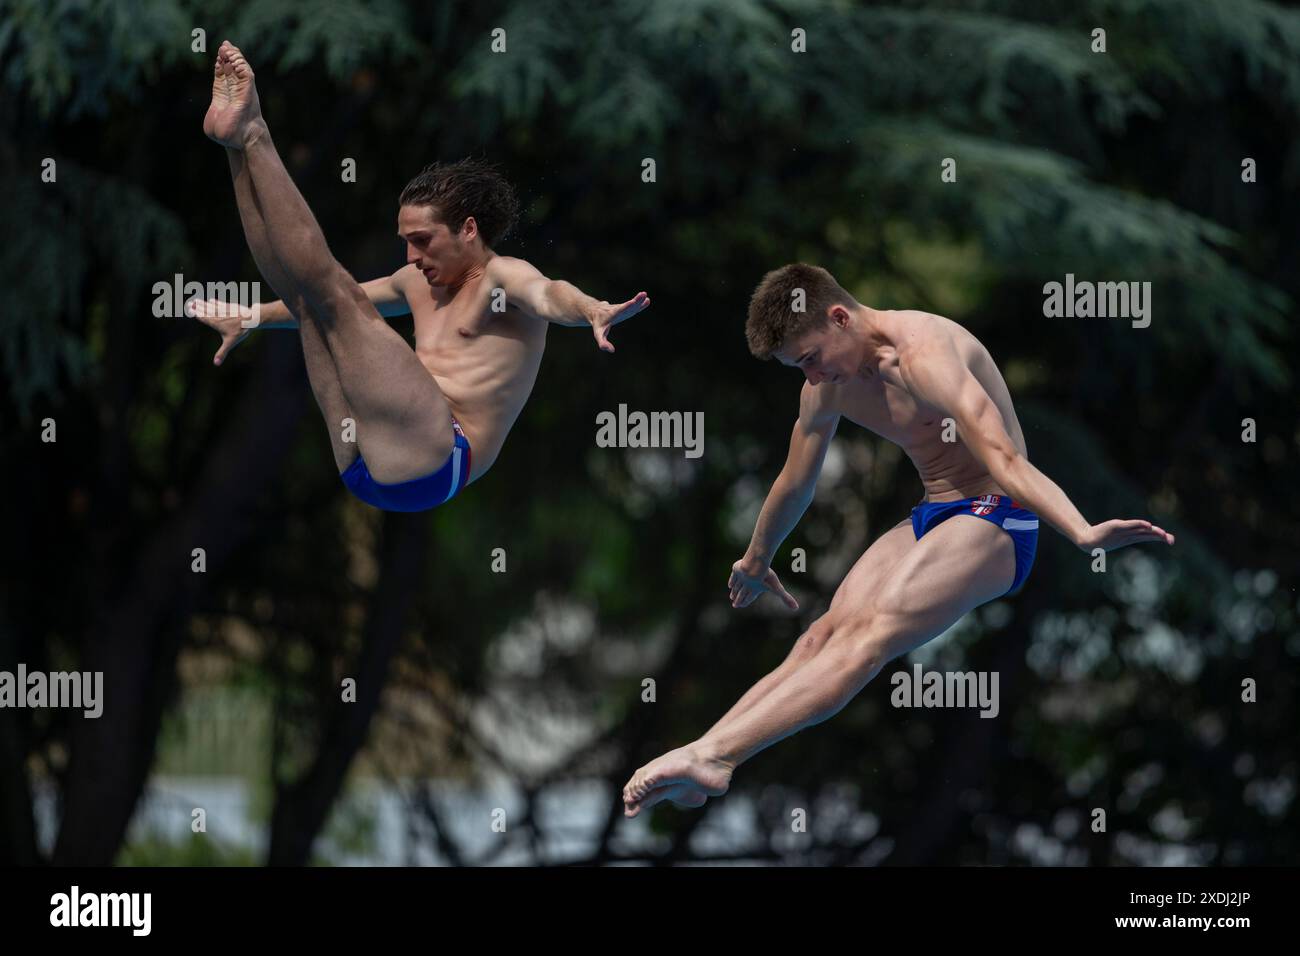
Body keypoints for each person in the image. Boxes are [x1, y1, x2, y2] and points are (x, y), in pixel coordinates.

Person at [622, 262, 1174, 816]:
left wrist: (1080, 530)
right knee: (820, 637)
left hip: (999, 519)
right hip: (934, 511)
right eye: (798, 369)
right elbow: (796, 479)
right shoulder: (825, 389)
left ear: (839, 317)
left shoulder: (924, 354)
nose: (810, 379)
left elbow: (1003, 457)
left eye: (810, 359)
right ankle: (703, 755)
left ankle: (717, 758)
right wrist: (756, 556)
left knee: (871, 634)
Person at [192, 41, 649, 511]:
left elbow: (551, 296)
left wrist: (592, 309)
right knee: (309, 301)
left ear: (468, 230)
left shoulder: (501, 280)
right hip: (365, 464)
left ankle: (254, 135)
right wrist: (254, 318)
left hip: (439, 458)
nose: (411, 256)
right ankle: (235, 145)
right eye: (405, 240)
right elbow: (320, 296)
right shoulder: (416, 283)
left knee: (331, 290)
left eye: (423, 240)